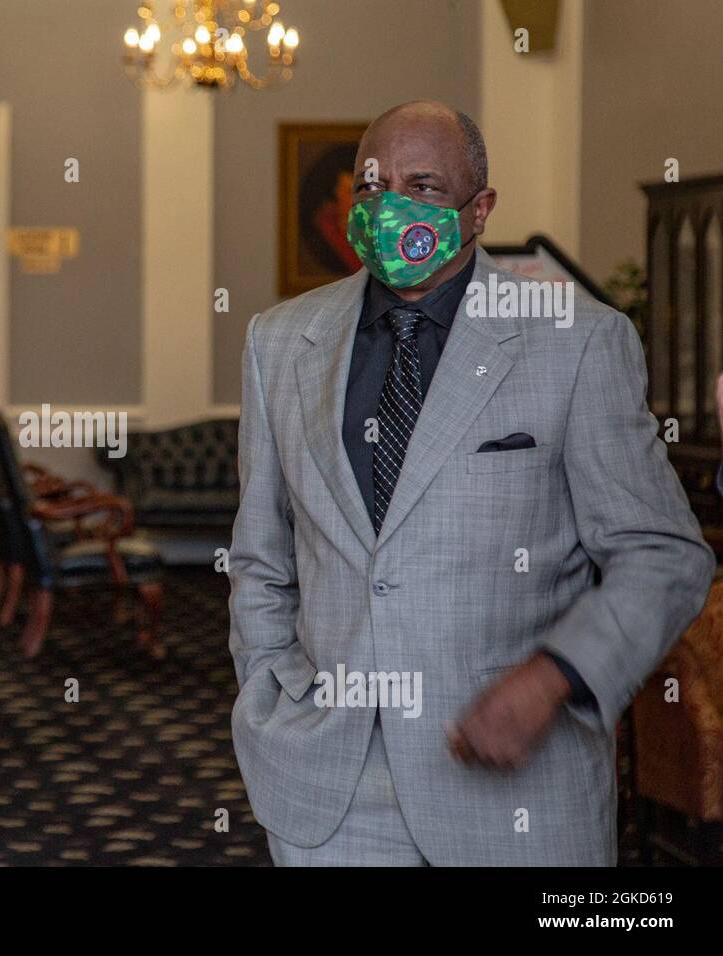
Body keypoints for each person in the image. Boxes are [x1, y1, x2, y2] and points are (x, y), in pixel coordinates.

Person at [227, 100, 714, 865]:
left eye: (422, 187)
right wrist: (266, 691)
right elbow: (261, 554)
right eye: (371, 185)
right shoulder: (279, 341)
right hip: (328, 786)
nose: (389, 207)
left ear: (479, 209)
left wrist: (554, 677)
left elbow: (664, 555)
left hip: (516, 788)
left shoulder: (577, 341)